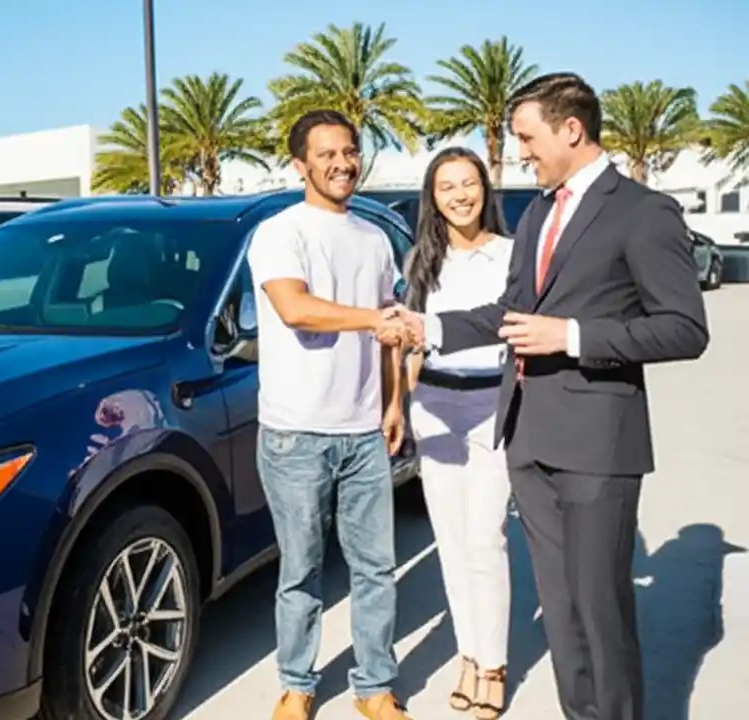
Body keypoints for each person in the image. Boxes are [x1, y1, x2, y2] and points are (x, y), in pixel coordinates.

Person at [397, 73, 709, 720]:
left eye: (526, 138)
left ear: (571, 129)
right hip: (527, 438)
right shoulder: (538, 211)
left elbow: (684, 328)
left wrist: (570, 335)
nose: (519, 154)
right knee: (562, 613)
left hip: (599, 447)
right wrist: (430, 327)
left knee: (599, 609)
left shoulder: (644, 212)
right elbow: (513, 311)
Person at [246, 108, 411, 720]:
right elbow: (295, 308)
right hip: (295, 435)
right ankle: (297, 683)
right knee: (301, 571)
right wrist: (372, 319)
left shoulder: (373, 239)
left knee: (376, 569)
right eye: (327, 154)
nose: (342, 163)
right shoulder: (280, 233)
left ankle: (375, 687)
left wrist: (394, 403)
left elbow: (391, 335)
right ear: (301, 164)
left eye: (350, 151)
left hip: (365, 431)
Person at [401, 147, 514, 719]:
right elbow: (413, 344)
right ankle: (468, 653)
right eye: (447, 186)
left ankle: (493, 663)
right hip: (435, 405)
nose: (460, 195)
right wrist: (401, 405)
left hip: (492, 405)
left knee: (484, 539)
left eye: (469, 183)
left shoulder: (513, 256)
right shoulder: (422, 258)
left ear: (484, 189)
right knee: (449, 540)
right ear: (433, 196)